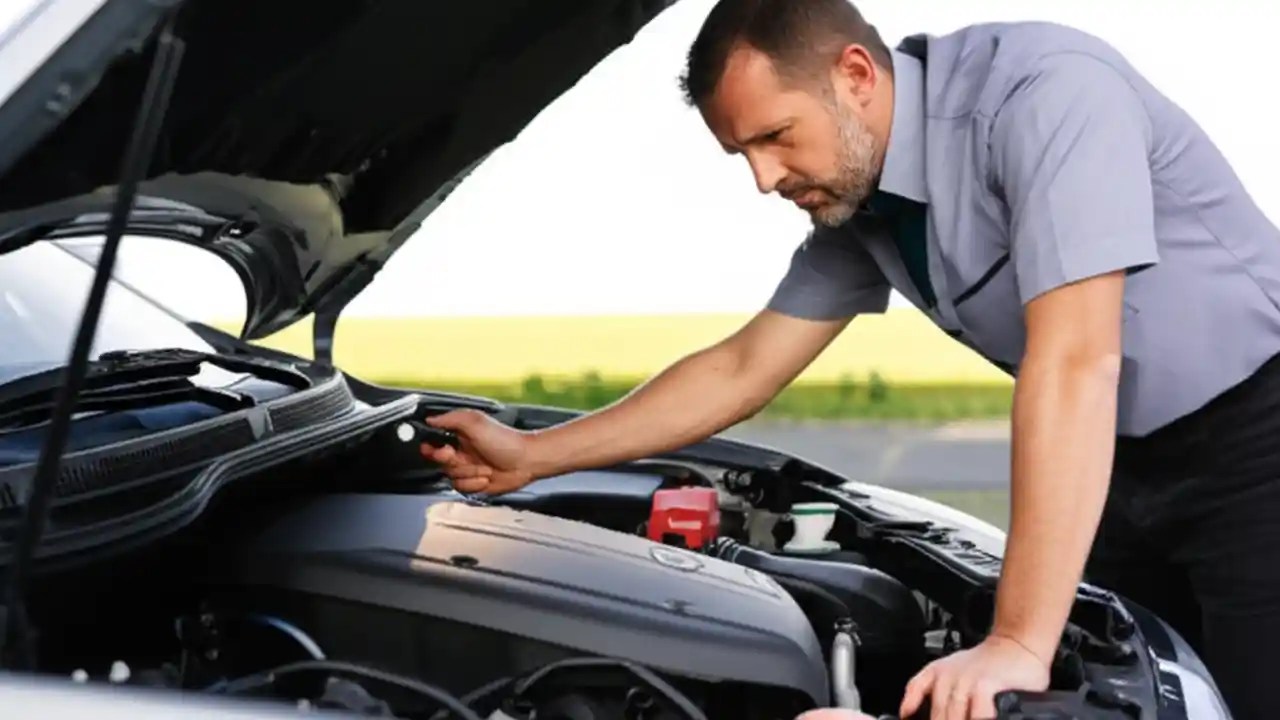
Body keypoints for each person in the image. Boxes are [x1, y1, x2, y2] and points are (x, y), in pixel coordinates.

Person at [422, 1, 1280, 718]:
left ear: (856, 77)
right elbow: (743, 365)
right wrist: (532, 456)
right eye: (743, 155)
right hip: (1119, 469)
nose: (764, 178)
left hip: (1258, 442)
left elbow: (1076, 361)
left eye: (776, 137)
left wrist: (1015, 641)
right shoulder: (861, 202)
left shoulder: (1044, 95)